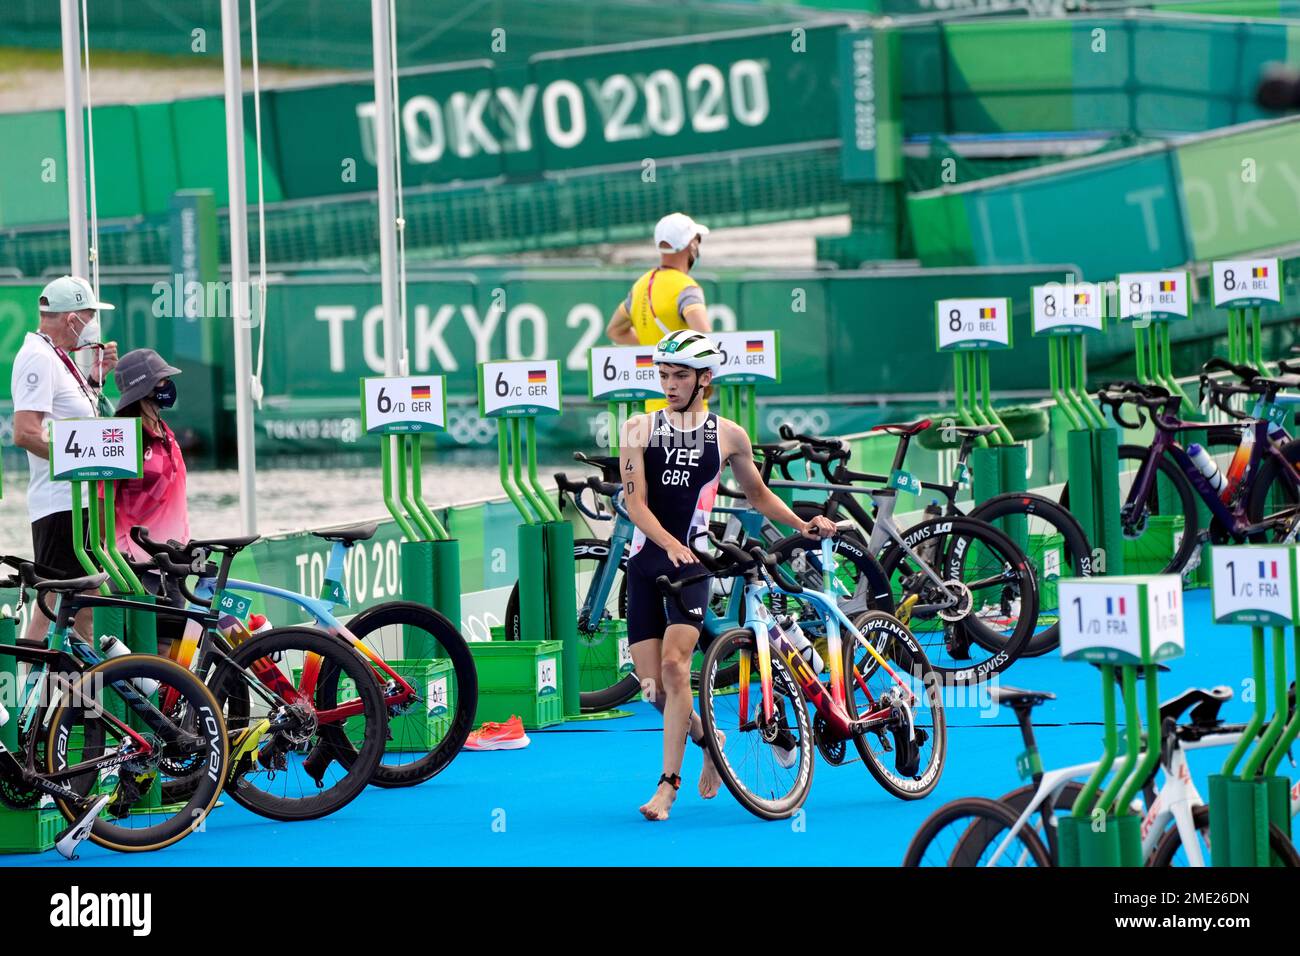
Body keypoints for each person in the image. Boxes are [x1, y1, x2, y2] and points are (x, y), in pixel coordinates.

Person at [619, 329, 836, 821]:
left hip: (692, 565)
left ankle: (667, 788)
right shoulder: (637, 429)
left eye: (679, 376)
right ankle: (708, 737)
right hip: (647, 563)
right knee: (652, 685)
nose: (669, 384)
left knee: (677, 668)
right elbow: (634, 502)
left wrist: (803, 524)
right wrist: (666, 543)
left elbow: (757, 495)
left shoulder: (728, 435)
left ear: (704, 380)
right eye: (663, 375)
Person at [10, 276, 118, 646]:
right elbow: (25, 432)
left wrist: (95, 379)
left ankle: (75, 698)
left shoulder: (58, 358)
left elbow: (68, 422)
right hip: (61, 504)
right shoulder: (37, 357)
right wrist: (81, 461)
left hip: (78, 501)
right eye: (89, 315)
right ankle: (36, 699)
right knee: (58, 604)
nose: (93, 324)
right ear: (71, 318)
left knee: (82, 605)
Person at [106, 349, 191, 652]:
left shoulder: (163, 430)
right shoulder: (123, 438)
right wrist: (117, 558)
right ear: (145, 388)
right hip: (137, 567)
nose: (168, 385)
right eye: (162, 380)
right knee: (141, 658)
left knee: (171, 654)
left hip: (173, 561)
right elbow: (102, 505)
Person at [606, 212, 712, 413]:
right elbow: (705, 338)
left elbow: (614, 331)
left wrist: (656, 349)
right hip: (689, 408)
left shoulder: (641, 285)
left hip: (652, 408)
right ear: (692, 245)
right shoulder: (686, 287)